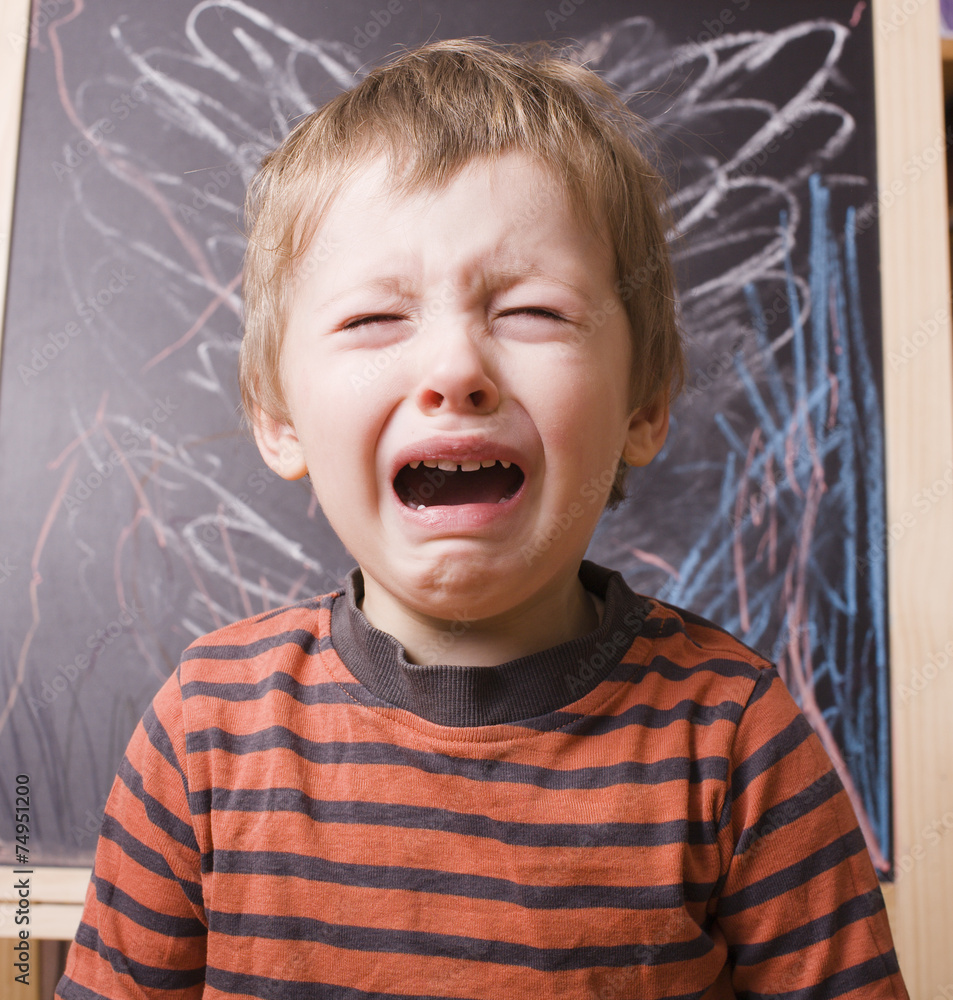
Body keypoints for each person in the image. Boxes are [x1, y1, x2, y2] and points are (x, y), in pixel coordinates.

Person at [57, 38, 908, 998]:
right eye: (373, 319)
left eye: (534, 312)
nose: (456, 369)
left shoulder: (735, 738)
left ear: (642, 405)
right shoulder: (206, 729)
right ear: (279, 417)